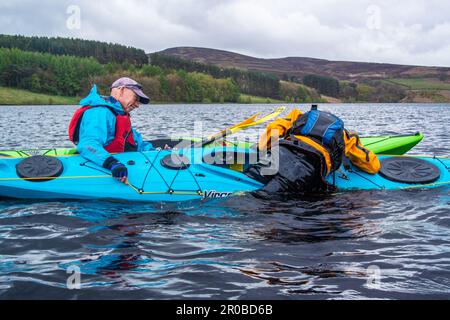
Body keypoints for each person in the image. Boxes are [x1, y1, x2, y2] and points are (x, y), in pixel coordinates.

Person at [244, 105, 381, 195]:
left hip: (281, 153)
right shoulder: (343, 134)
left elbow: (274, 128)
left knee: (248, 178)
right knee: (269, 196)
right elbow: (372, 166)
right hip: (309, 167)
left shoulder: (299, 116)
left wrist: (265, 148)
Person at [68, 77, 154, 183]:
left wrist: (160, 151)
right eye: (136, 98)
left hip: (123, 162)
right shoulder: (99, 112)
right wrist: (112, 164)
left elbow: (137, 143)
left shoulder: (119, 115)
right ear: (121, 90)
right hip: (104, 166)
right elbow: (88, 145)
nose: (137, 105)